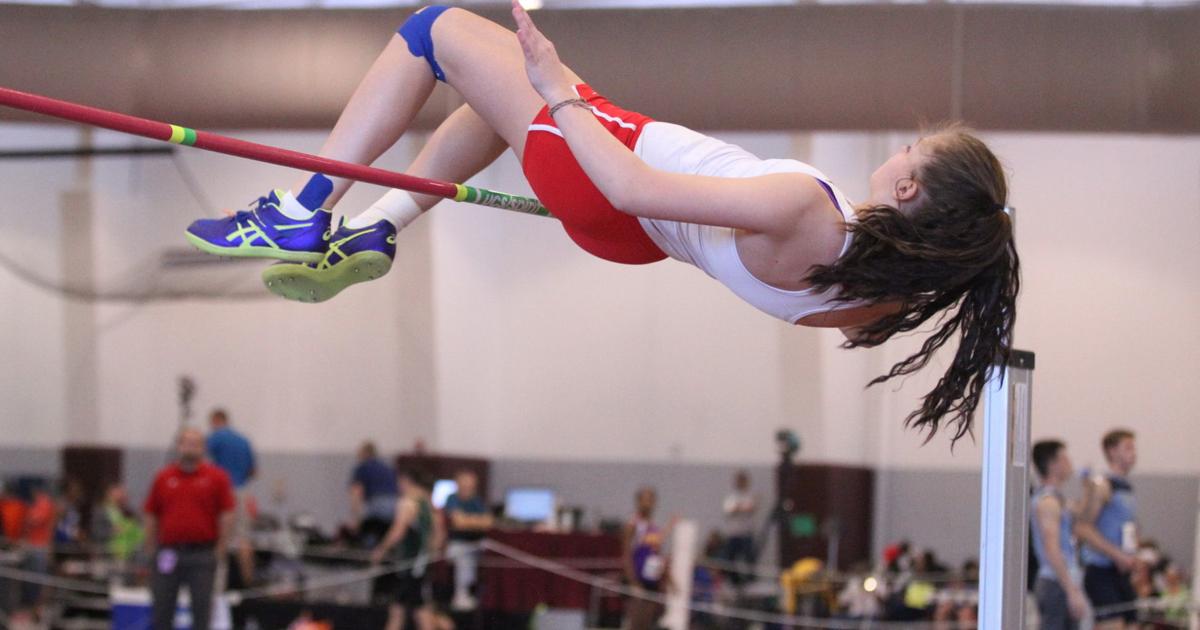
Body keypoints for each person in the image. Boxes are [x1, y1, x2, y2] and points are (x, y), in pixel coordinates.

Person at [184, 2, 1019, 443]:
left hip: (612, 180)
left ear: (910, 189)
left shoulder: (804, 210)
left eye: (913, 149)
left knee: (433, 30)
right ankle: (379, 226)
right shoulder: (881, 294)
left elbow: (626, 185)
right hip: (640, 240)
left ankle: (301, 208)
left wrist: (559, 92)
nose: (900, 148)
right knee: (490, 98)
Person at [144, 427, 236, 630]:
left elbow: (228, 514)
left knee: (201, 611)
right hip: (168, 553)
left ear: (203, 448)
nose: (191, 447)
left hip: (202, 554)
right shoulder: (163, 477)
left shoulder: (216, 478)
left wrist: (221, 547)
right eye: (187, 442)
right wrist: (150, 547)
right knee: (162, 609)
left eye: (196, 443)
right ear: (179, 446)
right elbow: (151, 514)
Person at [370, 466, 443, 630]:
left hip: (412, 564)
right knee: (398, 609)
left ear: (406, 481)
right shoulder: (428, 504)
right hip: (417, 563)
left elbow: (398, 530)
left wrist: (381, 549)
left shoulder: (408, 502)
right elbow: (438, 535)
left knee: (419, 611)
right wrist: (430, 553)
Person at [1081, 429, 1140, 629]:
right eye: (1128, 448)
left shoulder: (1126, 488)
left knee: (1132, 623)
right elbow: (1083, 528)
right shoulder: (1103, 486)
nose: (1134, 453)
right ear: (1112, 452)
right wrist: (1117, 555)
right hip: (1101, 571)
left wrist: (1131, 555)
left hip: (1121, 572)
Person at [1030, 440, 1089, 630]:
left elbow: (1080, 512)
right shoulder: (1048, 503)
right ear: (1053, 464)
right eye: (1065, 458)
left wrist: (1088, 487)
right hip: (1056, 582)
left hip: (1061, 581)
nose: (1070, 462)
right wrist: (1071, 590)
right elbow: (1051, 548)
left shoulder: (1058, 500)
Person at [205, 408, 258, 586]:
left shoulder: (216, 437)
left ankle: (217, 583)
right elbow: (253, 471)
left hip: (222, 493)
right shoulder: (244, 440)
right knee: (243, 538)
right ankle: (248, 583)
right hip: (242, 492)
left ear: (216, 421)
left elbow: (202, 463)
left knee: (221, 538)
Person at [443, 469, 493, 611]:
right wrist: (476, 521)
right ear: (458, 484)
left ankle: (486, 595)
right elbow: (459, 522)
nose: (468, 489)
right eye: (465, 485)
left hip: (476, 543)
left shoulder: (476, 500)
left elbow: (489, 522)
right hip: (456, 543)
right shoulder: (452, 499)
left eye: (471, 486)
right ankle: (461, 595)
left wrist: (468, 520)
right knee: (463, 556)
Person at [623, 486, 672, 630]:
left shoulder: (654, 527)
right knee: (636, 623)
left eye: (651, 500)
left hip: (652, 581)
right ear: (638, 502)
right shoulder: (633, 525)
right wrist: (633, 582)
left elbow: (657, 554)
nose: (647, 503)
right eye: (644, 500)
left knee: (647, 623)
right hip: (638, 580)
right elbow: (626, 554)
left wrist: (667, 579)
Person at [349, 441, 400, 547]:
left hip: (377, 506)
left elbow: (356, 493)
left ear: (365, 453)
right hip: (395, 506)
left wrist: (356, 519)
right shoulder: (387, 468)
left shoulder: (362, 468)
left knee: (369, 535)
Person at [721, 469, 757, 587]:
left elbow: (751, 508)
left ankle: (751, 580)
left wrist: (739, 508)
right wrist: (740, 508)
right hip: (734, 533)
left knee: (749, 558)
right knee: (730, 559)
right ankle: (734, 581)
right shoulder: (731, 497)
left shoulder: (749, 496)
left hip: (746, 532)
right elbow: (729, 510)